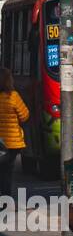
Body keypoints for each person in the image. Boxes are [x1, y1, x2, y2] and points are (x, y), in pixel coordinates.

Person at [0, 67, 29, 198]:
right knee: (7, 172)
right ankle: (5, 200)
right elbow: (24, 116)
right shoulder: (13, 96)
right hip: (11, 143)